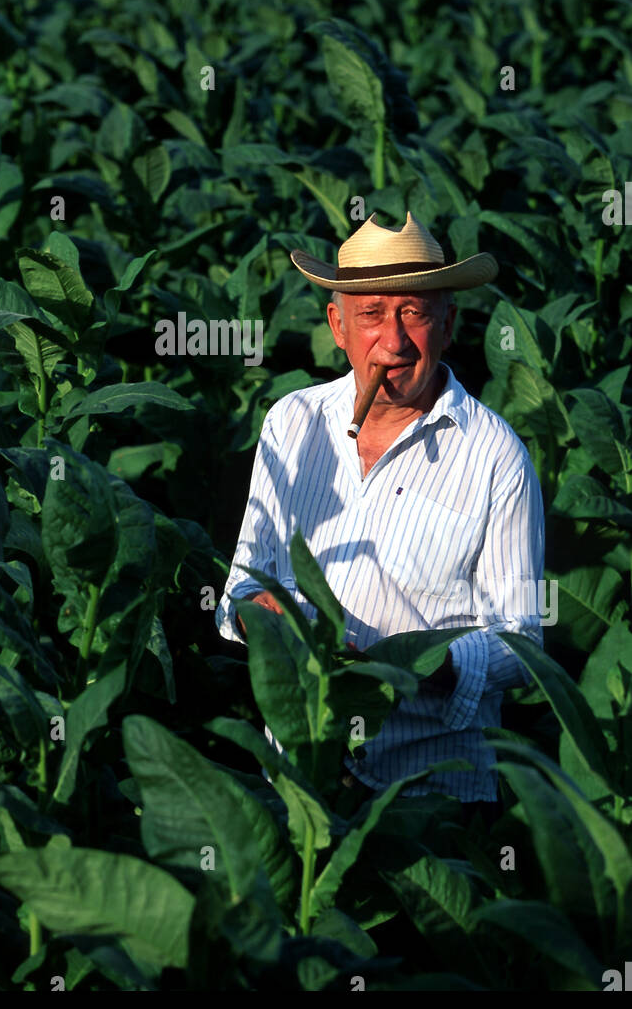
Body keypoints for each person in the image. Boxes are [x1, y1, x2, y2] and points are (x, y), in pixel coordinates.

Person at [215, 211, 545, 827]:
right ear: (337, 326)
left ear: (448, 323)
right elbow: (241, 580)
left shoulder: (495, 454)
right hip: (299, 779)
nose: (393, 342)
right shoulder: (292, 424)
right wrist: (263, 614)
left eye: (414, 313)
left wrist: (412, 662)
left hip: (430, 798)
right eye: (370, 314)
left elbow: (524, 644)